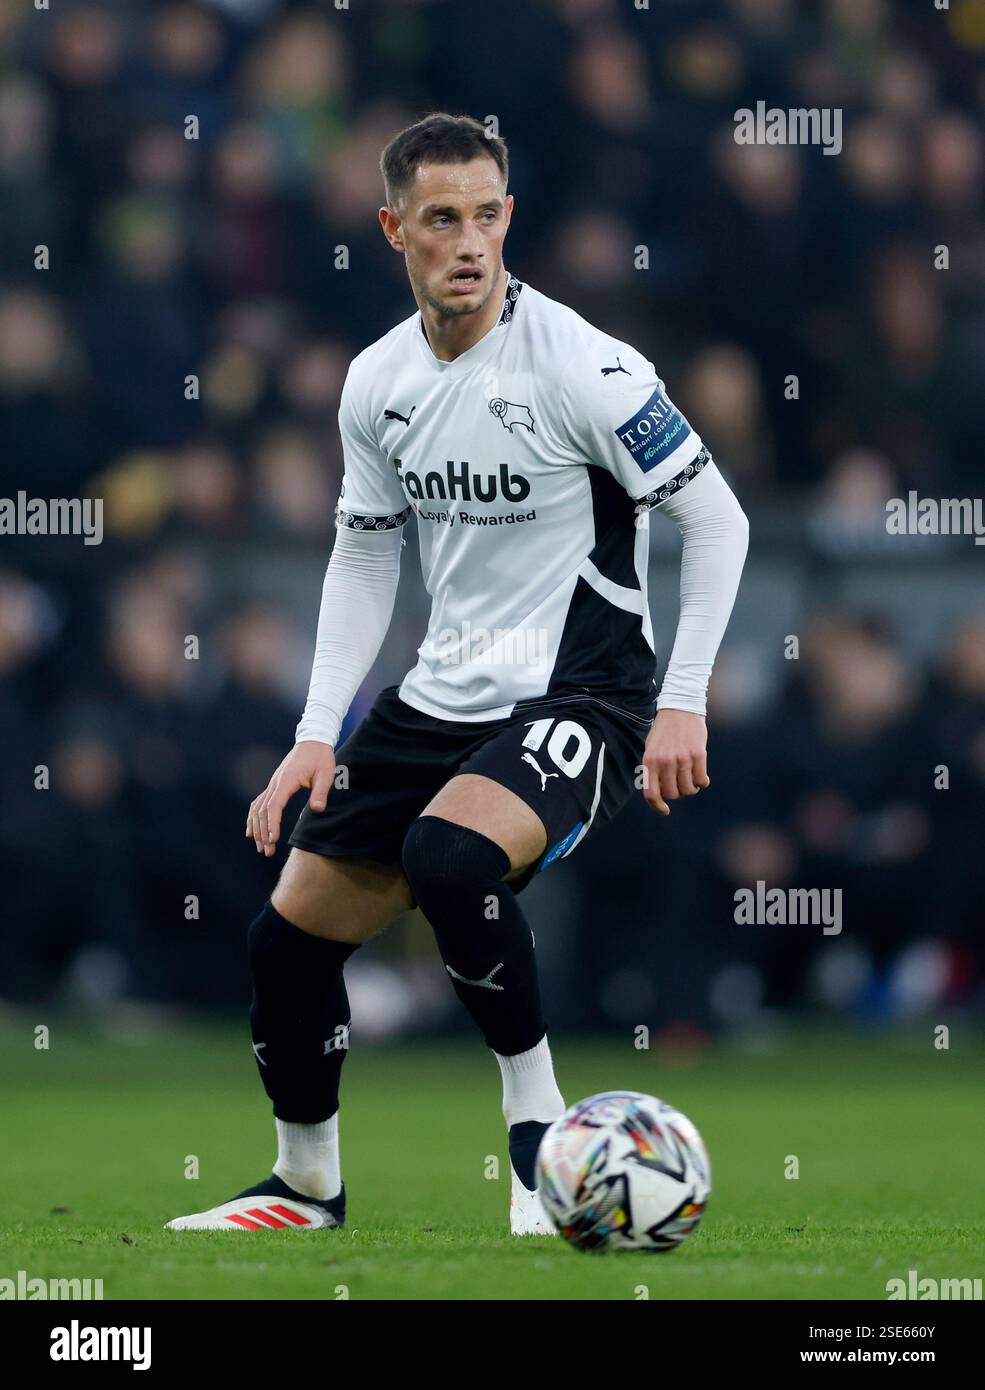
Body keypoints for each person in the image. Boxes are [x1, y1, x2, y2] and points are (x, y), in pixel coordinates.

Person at [166, 113, 749, 1236]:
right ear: (395, 230)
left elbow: (714, 521)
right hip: (438, 697)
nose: (469, 241)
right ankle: (305, 1188)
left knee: (449, 853)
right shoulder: (375, 381)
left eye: (487, 215)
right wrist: (317, 728)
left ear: (509, 218)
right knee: (283, 943)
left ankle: (538, 1146)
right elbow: (365, 546)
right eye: (442, 219)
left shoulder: (587, 365)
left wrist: (683, 699)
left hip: (585, 692)